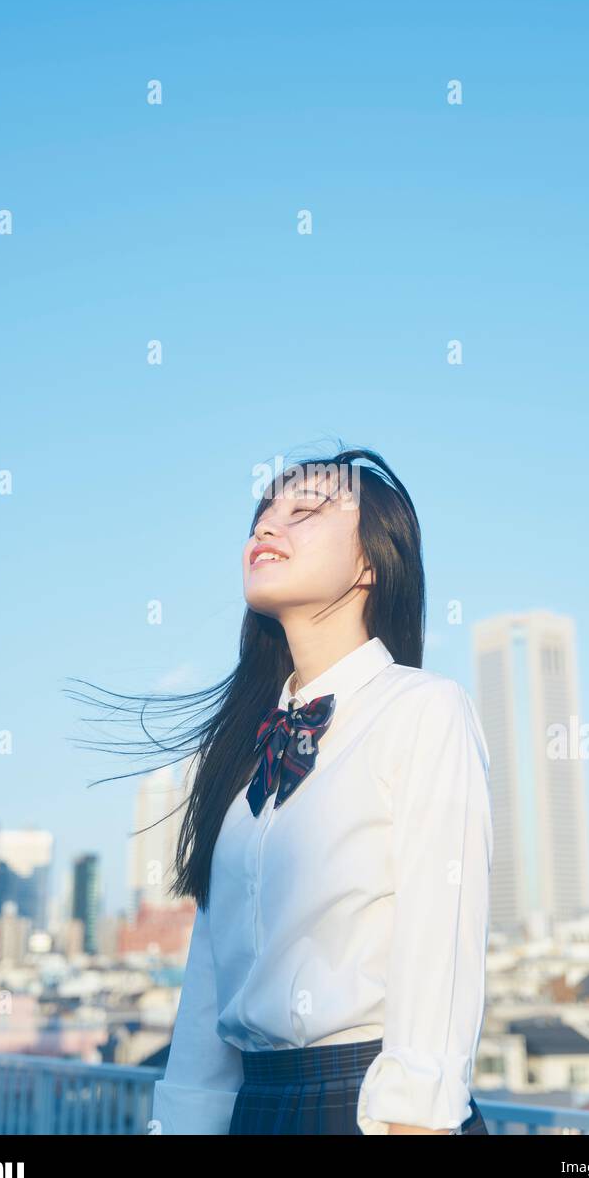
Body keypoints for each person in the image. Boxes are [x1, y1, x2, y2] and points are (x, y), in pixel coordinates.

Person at [140, 446, 493, 1134]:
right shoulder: (239, 749)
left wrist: (414, 1119)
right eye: (263, 513)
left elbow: (440, 938)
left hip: (366, 1109)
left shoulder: (422, 708)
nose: (267, 527)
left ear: (368, 564)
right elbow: (207, 988)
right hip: (255, 1109)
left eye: (303, 511)